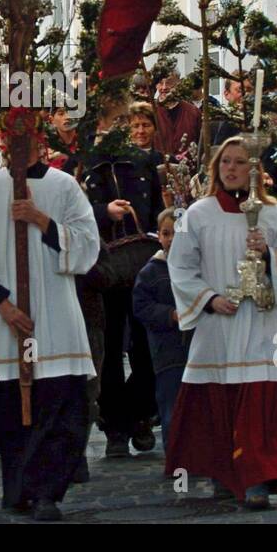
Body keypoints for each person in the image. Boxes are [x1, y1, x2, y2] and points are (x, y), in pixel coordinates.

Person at [0, 121, 102, 521]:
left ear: (39, 143)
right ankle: (18, 489)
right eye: (11, 141)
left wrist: (42, 220)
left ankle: (47, 492)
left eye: (27, 141)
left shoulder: (64, 187)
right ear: (2, 143)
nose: (18, 148)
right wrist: (3, 306)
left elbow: (88, 246)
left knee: (61, 409)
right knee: (11, 414)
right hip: (5, 323)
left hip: (55, 318)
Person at [164, 136, 277, 509]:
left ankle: (255, 478)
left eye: (240, 162)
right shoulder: (198, 214)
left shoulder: (273, 215)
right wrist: (208, 299)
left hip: (258, 321)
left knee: (256, 398)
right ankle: (223, 473)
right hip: (218, 323)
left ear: (255, 169)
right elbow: (179, 265)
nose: (231, 169)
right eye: (226, 162)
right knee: (216, 398)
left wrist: (268, 254)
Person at [80, 105, 165, 458]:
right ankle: (115, 425)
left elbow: (158, 210)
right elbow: (77, 213)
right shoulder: (89, 164)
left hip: (143, 264)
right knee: (111, 350)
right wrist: (104, 212)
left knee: (147, 350)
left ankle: (140, 414)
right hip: (107, 266)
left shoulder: (146, 164)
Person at [130, 208, 186, 447]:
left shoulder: (196, 267)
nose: (171, 239)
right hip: (167, 351)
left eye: (177, 233)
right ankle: (176, 457)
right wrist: (169, 315)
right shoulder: (151, 271)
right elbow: (141, 306)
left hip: (197, 348)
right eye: (166, 233)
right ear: (159, 236)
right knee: (171, 404)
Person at [152, 74, 202, 158]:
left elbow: (201, 147)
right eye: (160, 83)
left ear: (178, 83)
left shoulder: (193, 112)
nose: (164, 88)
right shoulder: (150, 112)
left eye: (169, 82)